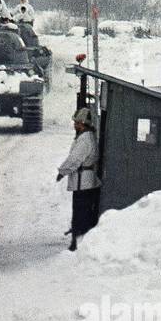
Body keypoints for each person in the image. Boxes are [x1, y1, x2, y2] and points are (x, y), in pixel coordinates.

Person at [57, 106, 101, 251]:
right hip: (86, 181)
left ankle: (77, 244)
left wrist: (62, 171)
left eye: (77, 123)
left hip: (83, 183)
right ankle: (79, 240)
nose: (75, 125)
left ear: (83, 123)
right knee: (84, 212)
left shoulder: (84, 139)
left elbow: (74, 160)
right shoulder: (88, 137)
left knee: (80, 213)